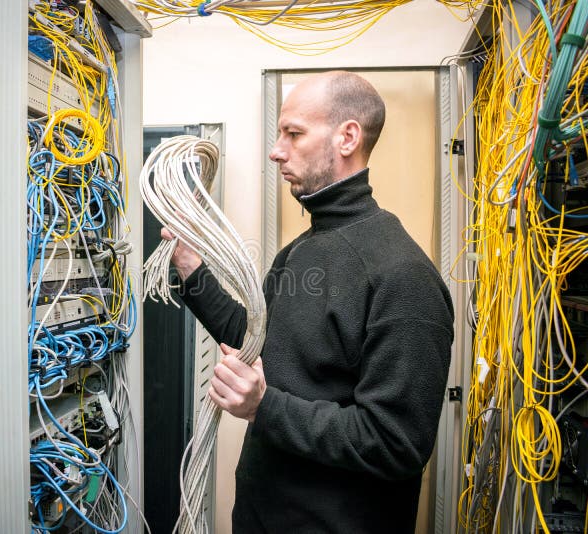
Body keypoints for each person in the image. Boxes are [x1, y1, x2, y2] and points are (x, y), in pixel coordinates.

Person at [161, 71, 454, 533]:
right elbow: (259, 343)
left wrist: (264, 407)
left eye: (293, 133)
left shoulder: (403, 276)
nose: (276, 150)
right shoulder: (302, 249)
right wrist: (191, 270)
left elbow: (396, 442)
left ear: (347, 137)